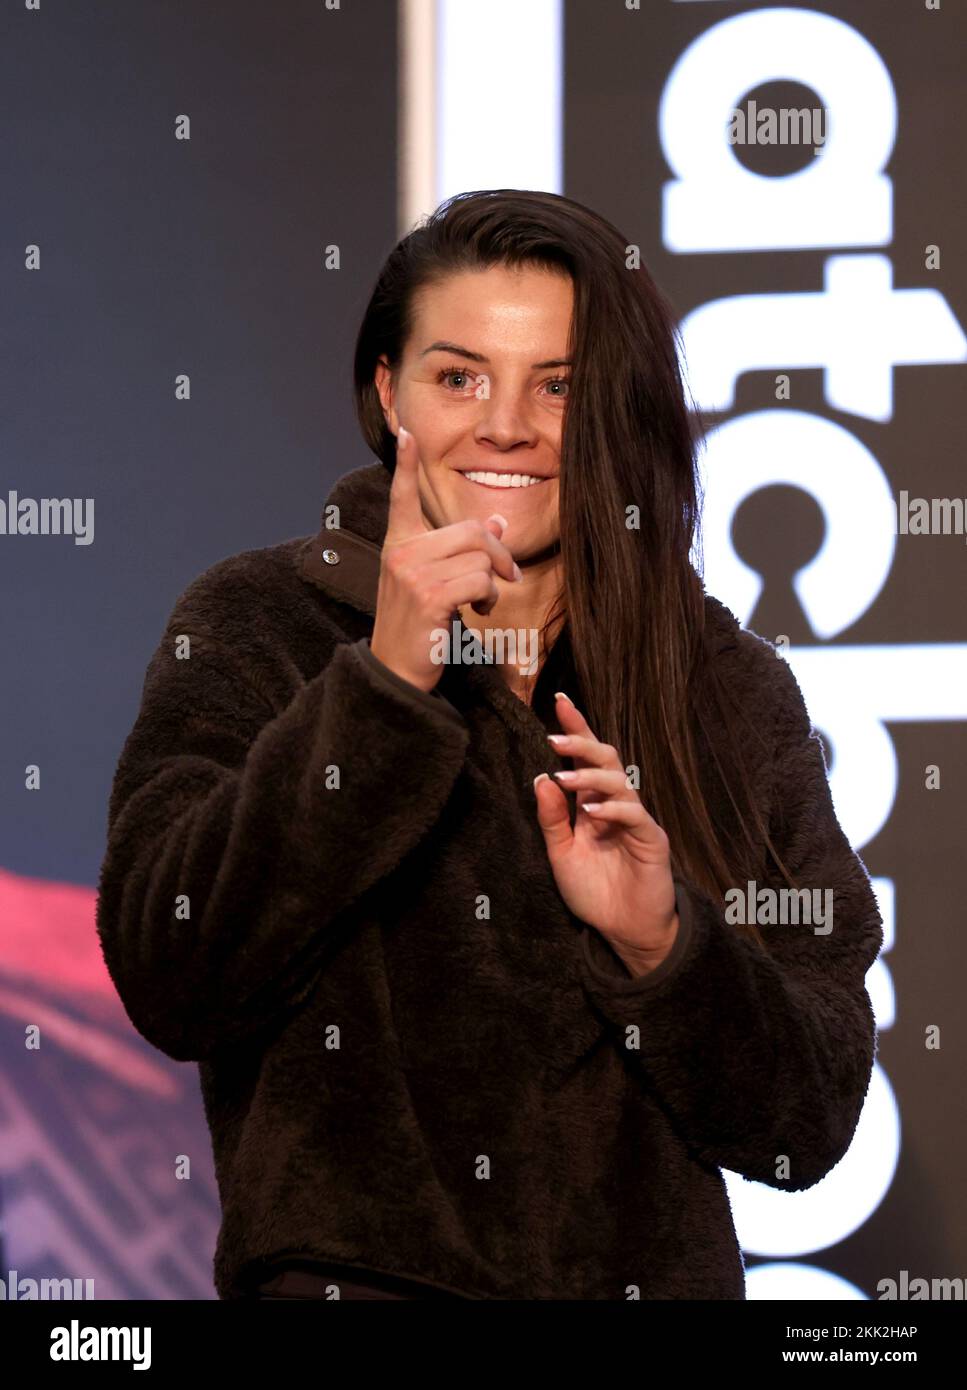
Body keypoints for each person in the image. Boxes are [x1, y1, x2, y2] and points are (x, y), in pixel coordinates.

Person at [95, 188, 884, 1301]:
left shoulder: (724, 686)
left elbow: (807, 1122)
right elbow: (170, 975)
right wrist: (381, 687)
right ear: (386, 391)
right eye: (458, 375)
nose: (504, 424)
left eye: (556, 386)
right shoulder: (257, 621)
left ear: (614, 409)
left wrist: (665, 947)